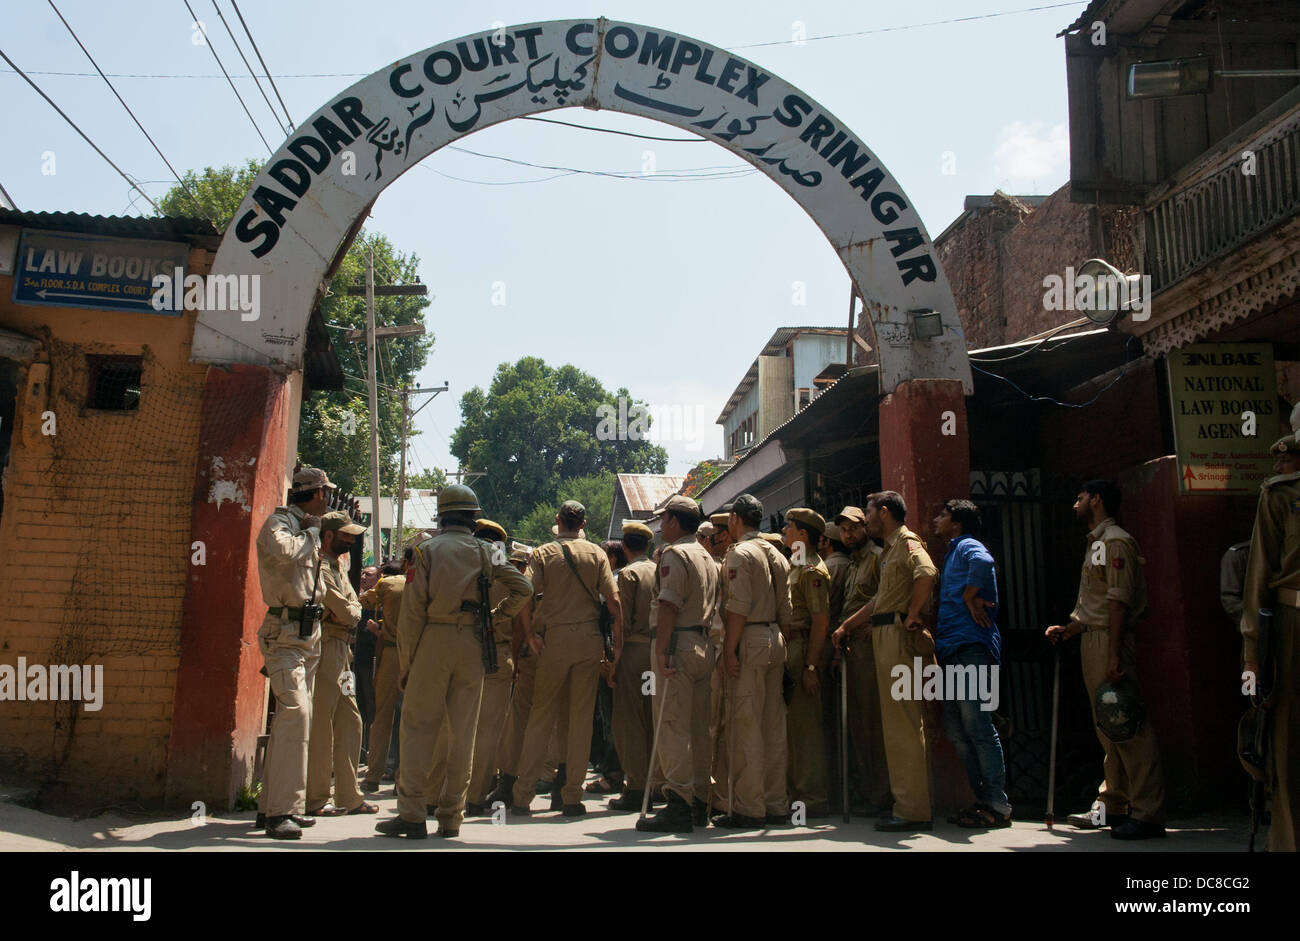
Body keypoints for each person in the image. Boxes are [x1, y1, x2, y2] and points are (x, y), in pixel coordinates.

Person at [375, 485, 531, 840]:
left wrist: (405, 662)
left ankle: (412, 814)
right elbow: (521, 587)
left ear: (442, 516)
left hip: (434, 638)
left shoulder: (425, 551)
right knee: (464, 732)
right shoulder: (487, 551)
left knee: (417, 729)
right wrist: (496, 614)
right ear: (473, 517)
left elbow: (414, 611)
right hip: (474, 641)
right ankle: (451, 817)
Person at [1046, 479, 1166, 840]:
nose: (1075, 504)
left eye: (1079, 498)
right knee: (1108, 726)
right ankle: (1114, 803)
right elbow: (1097, 603)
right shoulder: (1097, 542)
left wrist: (1113, 653)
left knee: (1127, 723)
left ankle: (1147, 811)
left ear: (1096, 500)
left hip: (1109, 640)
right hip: (1092, 636)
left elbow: (1118, 602)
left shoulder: (1115, 541)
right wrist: (1071, 628)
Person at [511, 501, 622, 817]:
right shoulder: (598, 554)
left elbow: (523, 593)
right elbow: (613, 601)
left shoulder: (543, 553)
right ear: (583, 523)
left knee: (541, 716)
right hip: (588, 641)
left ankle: (522, 796)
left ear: (557, 521)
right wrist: (617, 649)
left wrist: (531, 633)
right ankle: (572, 796)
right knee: (581, 720)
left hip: (554, 639)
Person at [834, 491, 937, 832]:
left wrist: (913, 615)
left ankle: (912, 809)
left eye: (870, 511)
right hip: (883, 633)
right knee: (896, 727)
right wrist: (847, 625)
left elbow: (927, 573)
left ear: (886, 512)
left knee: (903, 725)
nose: (867, 516)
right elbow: (880, 598)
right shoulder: (892, 548)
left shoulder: (906, 543)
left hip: (896, 636)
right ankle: (906, 804)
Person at [427, 520, 533, 816]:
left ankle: (435, 795)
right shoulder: (507, 574)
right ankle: (473, 799)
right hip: (498, 656)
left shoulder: (459, 568)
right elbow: (520, 622)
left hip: (460, 649)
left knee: (450, 728)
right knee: (487, 734)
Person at [254, 466, 332, 840]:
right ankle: (280, 812)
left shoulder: (307, 527)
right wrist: (313, 534)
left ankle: (277, 805)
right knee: (296, 713)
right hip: (284, 633)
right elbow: (285, 552)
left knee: (295, 719)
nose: (328, 499)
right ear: (316, 493)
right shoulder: (279, 523)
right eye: (326, 493)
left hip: (308, 632)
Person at [636, 496, 720, 832]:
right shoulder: (706, 555)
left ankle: (679, 803)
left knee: (672, 725)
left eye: (664, 518)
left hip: (676, 643)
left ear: (674, 521)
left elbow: (668, 604)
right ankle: (699, 800)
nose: (660, 525)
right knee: (699, 728)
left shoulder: (676, 553)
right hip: (702, 644)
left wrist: (661, 651)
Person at [932, 499, 1009, 828]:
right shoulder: (953, 550)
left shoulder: (967, 545)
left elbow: (983, 561)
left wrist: (969, 596)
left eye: (943, 515)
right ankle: (982, 800)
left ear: (957, 523)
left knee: (977, 725)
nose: (937, 520)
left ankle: (997, 803)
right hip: (952, 648)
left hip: (971, 645)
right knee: (957, 728)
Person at [716, 493, 791, 829]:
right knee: (773, 725)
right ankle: (776, 803)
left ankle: (749, 806)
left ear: (735, 518)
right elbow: (787, 611)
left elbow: (738, 608)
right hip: (775, 637)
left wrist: (730, 651)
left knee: (745, 724)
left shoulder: (740, 554)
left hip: (750, 638)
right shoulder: (777, 553)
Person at [1241, 432, 1300, 852]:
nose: (1278, 469)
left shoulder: (1278, 493)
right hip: (1292, 617)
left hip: (1291, 622)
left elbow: (1259, 574)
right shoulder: (1283, 495)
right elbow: (1258, 577)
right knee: (1286, 733)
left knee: (1288, 734)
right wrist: (1253, 654)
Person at [306, 512, 378, 817]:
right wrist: (351, 609)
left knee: (351, 721)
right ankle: (315, 799)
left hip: (343, 652)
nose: (351, 540)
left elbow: (355, 608)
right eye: (345, 535)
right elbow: (348, 612)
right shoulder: (319, 566)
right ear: (329, 536)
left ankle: (349, 797)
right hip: (326, 649)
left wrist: (351, 609)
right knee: (322, 724)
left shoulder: (337, 566)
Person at [832, 506, 890, 815]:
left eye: (853, 527)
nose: (848, 534)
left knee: (871, 722)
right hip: (851, 646)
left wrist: (867, 624)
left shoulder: (878, 557)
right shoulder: (853, 563)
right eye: (843, 530)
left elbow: (886, 597)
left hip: (869, 646)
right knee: (857, 722)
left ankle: (881, 795)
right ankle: (870, 793)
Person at [781, 508, 832, 818]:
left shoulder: (812, 570)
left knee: (805, 729)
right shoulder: (796, 565)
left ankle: (811, 798)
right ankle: (795, 793)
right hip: (792, 646)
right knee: (792, 727)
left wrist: (811, 667)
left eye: (789, 527)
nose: (784, 530)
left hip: (803, 648)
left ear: (803, 535)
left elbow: (821, 621)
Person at [609, 521, 657, 812]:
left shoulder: (627, 575)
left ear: (625, 546)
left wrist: (614, 661)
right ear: (648, 546)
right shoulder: (657, 569)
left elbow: (621, 623)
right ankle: (654, 783)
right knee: (652, 718)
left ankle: (636, 786)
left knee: (629, 721)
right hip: (655, 651)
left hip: (632, 652)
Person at [357, 560, 406, 794]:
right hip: (417, 655)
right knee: (411, 720)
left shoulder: (389, 584)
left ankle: (373, 775)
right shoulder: (429, 583)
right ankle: (402, 778)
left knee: (382, 716)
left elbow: (363, 600)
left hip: (391, 652)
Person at [355, 564, 380, 760]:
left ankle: (372, 749)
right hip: (356, 659)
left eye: (368, 574)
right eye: (362, 573)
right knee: (357, 705)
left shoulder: (379, 602)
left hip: (371, 660)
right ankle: (360, 750)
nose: (363, 577)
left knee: (371, 706)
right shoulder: (357, 599)